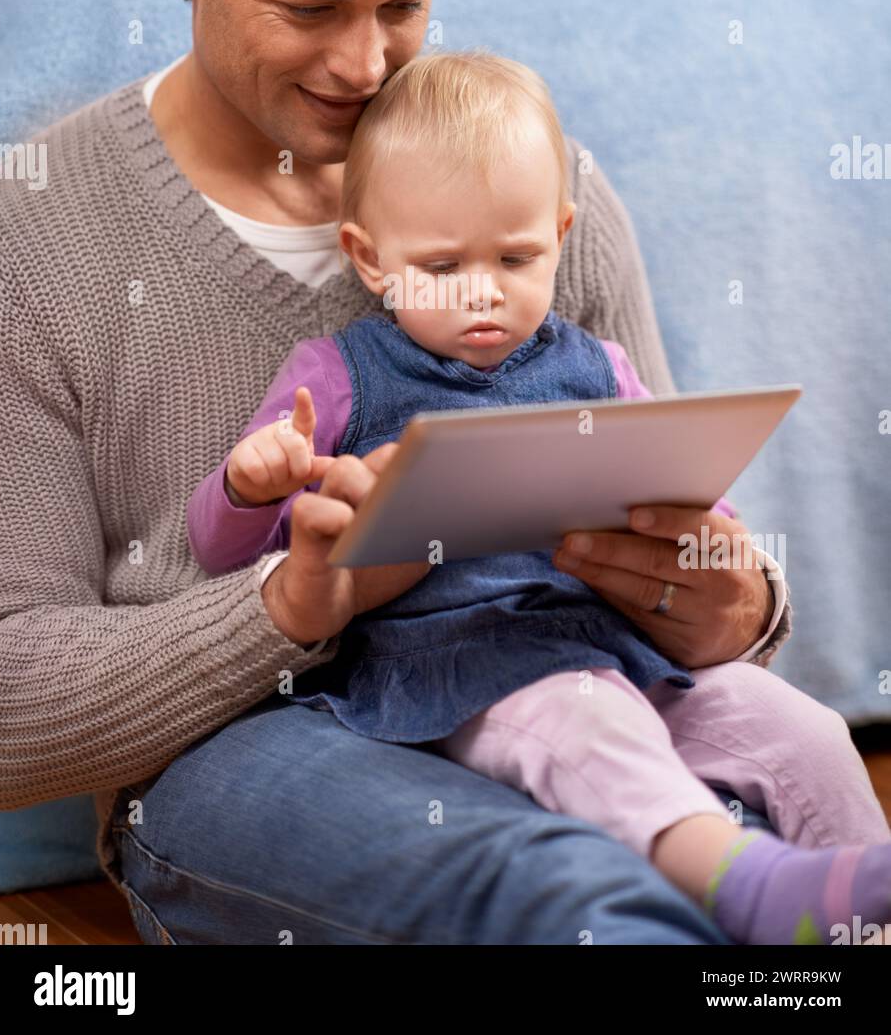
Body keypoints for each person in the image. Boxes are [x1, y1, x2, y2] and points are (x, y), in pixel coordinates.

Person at [0, 0, 796, 946]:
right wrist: (284, 609)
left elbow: (682, 527)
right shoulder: (35, 234)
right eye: (309, 9)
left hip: (575, 690)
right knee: (558, 896)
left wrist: (733, 607)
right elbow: (1, 700)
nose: (366, 67)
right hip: (247, 758)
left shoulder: (538, 194)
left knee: (792, 819)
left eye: (405, 6)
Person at [187, 49, 891, 946]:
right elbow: (217, 553)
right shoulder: (340, 377)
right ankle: (742, 886)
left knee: (796, 727)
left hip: (620, 651)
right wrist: (252, 485)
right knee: (587, 723)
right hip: (450, 673)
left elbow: (677, 498)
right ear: (369, 259)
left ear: (560, 235)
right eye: (440, 267)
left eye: (515, 258)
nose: (483, 293)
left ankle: (857, 924)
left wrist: (711, 539)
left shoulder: (599, 366)